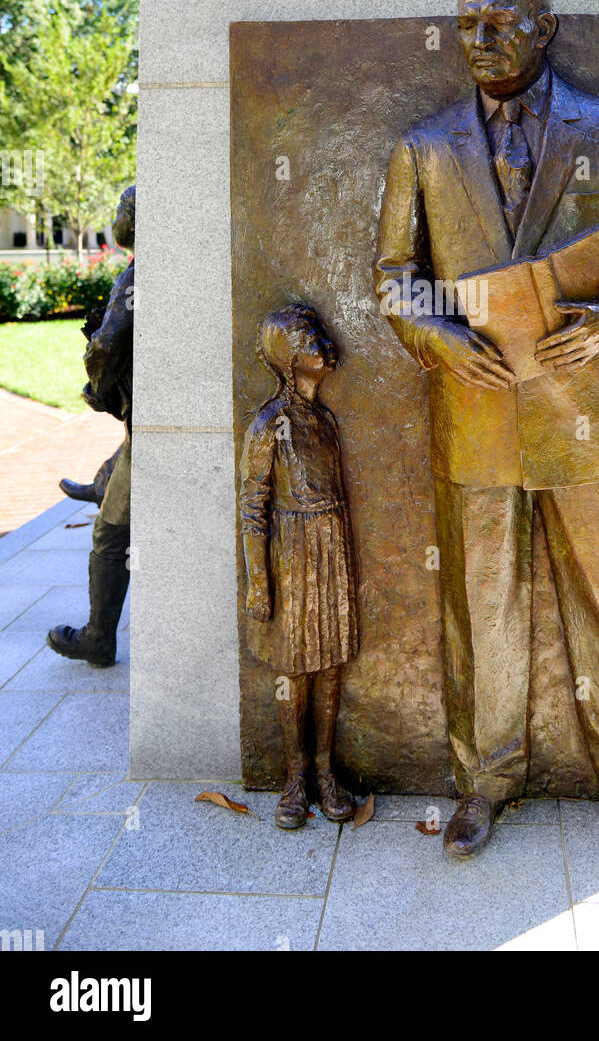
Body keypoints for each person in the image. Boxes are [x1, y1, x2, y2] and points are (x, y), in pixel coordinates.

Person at [375, 0, 599, 859]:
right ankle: (482, 783)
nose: (481, 38)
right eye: (468, 23)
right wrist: (437, 337)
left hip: (585, 405)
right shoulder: (424, 146)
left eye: (500, 22)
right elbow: (394, 278)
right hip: (473, 409)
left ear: (543, 27)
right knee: (479, 607)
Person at [239, 304, 359, 830]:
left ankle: (325, 771)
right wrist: (258, 582)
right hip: (290, 553)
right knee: (294, 666)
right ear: (290, 360)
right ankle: (294, 777)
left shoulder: (325, 420)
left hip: (329, 551)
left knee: (331, 661)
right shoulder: (270, 423)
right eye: (312, 340)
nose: (325, 345)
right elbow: (252, 506)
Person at [47, 187, 135, 667]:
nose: (118, 217)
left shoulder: (136, 277)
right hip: (143, 427)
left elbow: (105, 347)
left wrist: (96, 388)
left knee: (109, 535)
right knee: (118, 471)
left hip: (151, 433)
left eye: (123, 210)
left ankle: (99, 637)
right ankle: (101, 485)